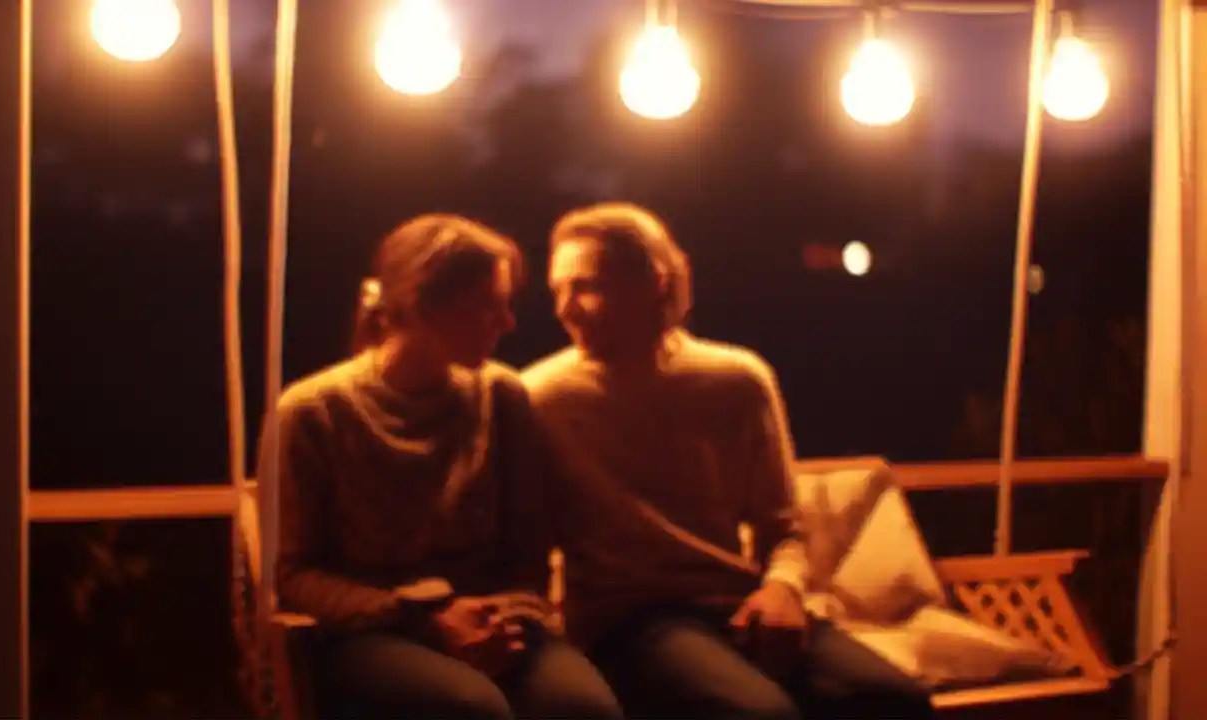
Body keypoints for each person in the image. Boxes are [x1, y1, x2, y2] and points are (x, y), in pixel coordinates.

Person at [522, 203, 935, 720]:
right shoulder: (541, 397)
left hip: (735, 602)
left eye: (586, 287)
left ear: (655, 281)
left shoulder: (735, 381)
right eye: (557, 290)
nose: (565, 308)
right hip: (628, 620)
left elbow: (783, 526)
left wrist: (783, 589)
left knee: (894, 699)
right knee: (759, 713)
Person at [265, 214, 622, 719]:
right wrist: (425, 619)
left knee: (583, 707)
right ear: (423, 305)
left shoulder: (501, 396)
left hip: (497, 621)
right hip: (371, 634)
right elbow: (295, 573)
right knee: (470, 708)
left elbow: (527, 548)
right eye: (487, 307)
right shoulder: (314, 411)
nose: (507, 323)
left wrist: (500, 619)